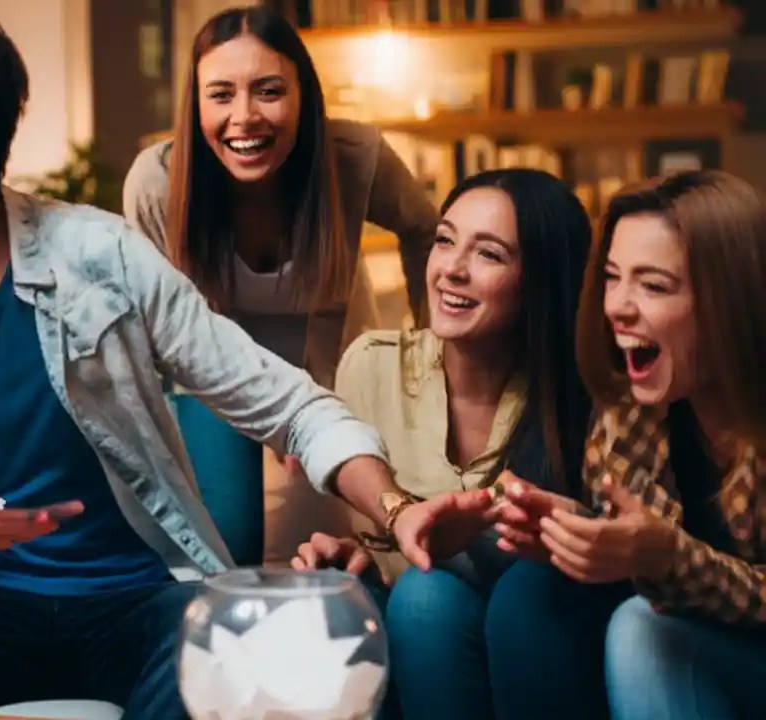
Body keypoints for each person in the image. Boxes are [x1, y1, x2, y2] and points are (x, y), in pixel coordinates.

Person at [0, 1, 404, 716]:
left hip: (141, 607)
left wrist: (399, 513)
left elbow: (292, 405)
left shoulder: (101, 258)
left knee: (276, 650)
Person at [294, 169, 626, 719]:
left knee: (524, 591)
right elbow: (375, 542)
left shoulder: (589, 393)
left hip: (549, 631)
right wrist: (358, 556)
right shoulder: (372, 367)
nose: (452, 268)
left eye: (490, 255)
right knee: (426, 598)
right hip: (428, 623)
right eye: (445, 240)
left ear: (540, 279)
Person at [123, 5, 438, 566]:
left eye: (268, 91)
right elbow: (154, 332)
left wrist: (432, 355)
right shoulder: (156, 183)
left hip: (332, 370)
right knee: (228, 544)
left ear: (303, 97)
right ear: (195, 104)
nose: (244, 117)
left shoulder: (356, 157)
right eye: (220, 95)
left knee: (339, 540)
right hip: (213, 376)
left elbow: (424, 228)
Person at [522, 170, 766, 720]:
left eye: (653, 285)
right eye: (612, 278)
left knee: (641, 630)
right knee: (528, 592)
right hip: (705, 655)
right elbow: (641, 543)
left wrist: (671, 557)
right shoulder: (632, 412)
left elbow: (666, 560)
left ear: (733, 301)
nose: (618, 308)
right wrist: (577, 529)